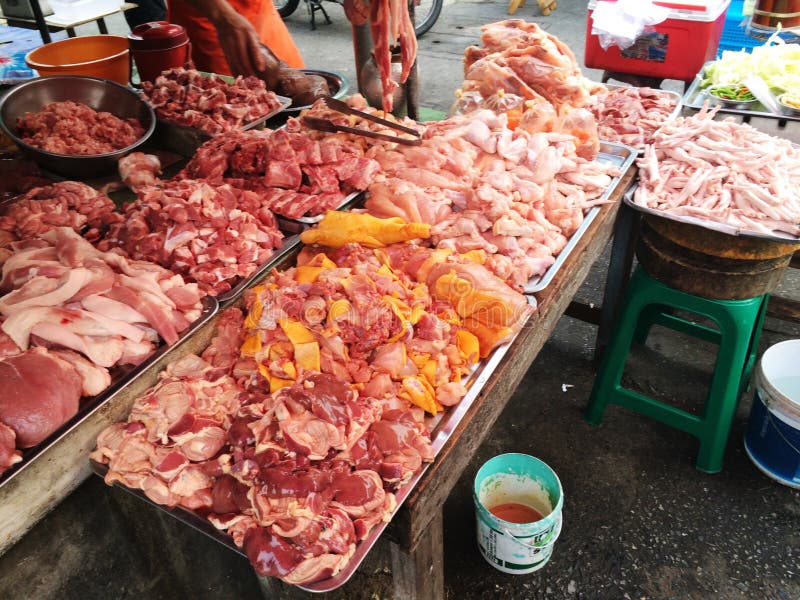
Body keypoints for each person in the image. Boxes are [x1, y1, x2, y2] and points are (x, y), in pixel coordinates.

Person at [166, 0, 304, 77]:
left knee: (299, 93)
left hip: (259, 10)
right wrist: (223, 16)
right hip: (212, 18)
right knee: (235, 106)